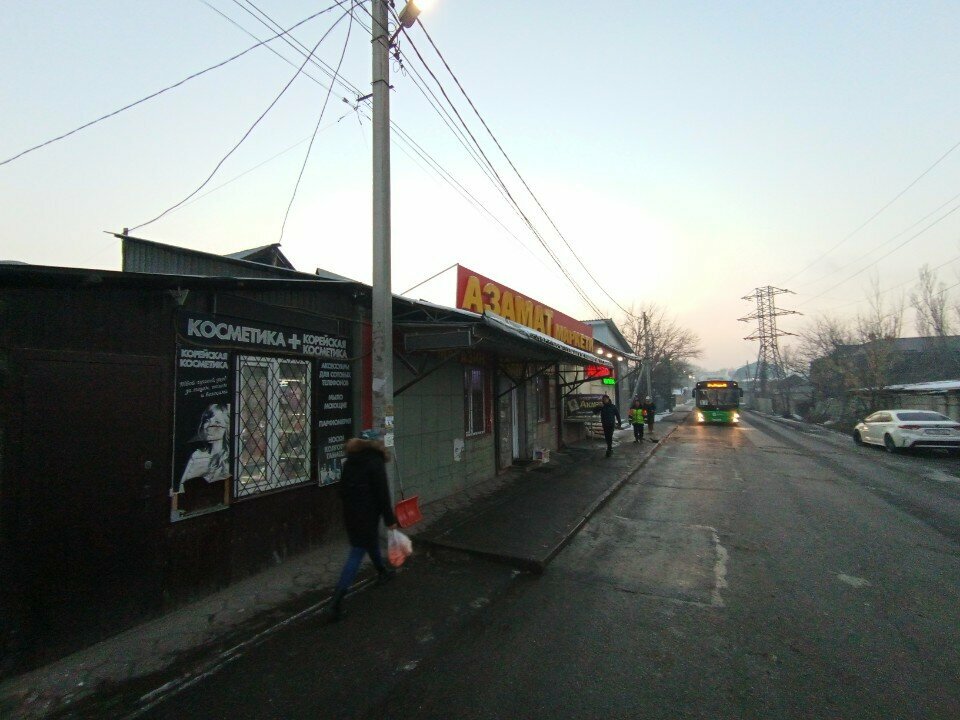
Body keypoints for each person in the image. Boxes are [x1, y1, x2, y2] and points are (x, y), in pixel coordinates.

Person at [329, 429, 398, 621]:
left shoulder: (351, 460)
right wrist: (390, 520)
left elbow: (342, 490)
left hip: (351, 514)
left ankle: (382, 571)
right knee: (357, 552)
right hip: (367, 515)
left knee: (369, 541)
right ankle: (336, 601)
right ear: (376, 444)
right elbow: (382, 494)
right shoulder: (375, 462)